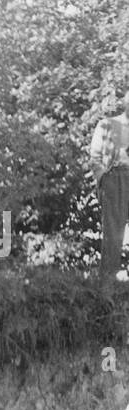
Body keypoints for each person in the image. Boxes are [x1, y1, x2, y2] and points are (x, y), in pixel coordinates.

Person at [89, 88, 129, 282]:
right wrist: (103, 178)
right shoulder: (107, 125)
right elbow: (94, 156)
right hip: (115, 178)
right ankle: (107, 281)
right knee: (113, 229)